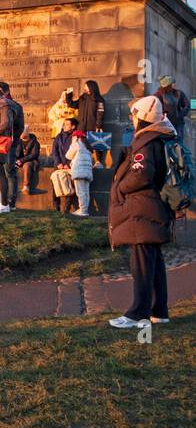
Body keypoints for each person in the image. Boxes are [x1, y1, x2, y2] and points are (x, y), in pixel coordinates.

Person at [108, 94, 174, 329]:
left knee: (142, 264)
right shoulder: (158, 139)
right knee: (153, 262)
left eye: (134, 114)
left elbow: (140, 173)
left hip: (141, 209)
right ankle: (159, 311)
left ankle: (138, 313)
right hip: (152, 208)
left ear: (142, 117)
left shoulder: (145, 142)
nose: (132, 118)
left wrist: (120, 188)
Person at [0, 82, 24, 208]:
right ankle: (3, 200)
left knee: (9, 172)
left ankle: (10, 201)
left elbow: (19, 127)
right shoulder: (0, 105)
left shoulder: (12, 106)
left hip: (8, 143)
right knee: (1, 172)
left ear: (5, 92)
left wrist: (13, 140)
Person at [75, 80, 108, 167]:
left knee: (96, 144)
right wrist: (68, 95)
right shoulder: (82, 98)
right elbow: (73, 105)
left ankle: (98, 162)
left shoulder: (99, 99)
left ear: (91, 87)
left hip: (93, 126)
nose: (84, 87)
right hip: (82, 126)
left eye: (86, 86)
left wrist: (98, 124)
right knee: (82, 145)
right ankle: (85, 163)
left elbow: (100, 112)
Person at [50, 116, 79, 214]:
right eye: (64, 124)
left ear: (73, 127)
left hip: (70, 165)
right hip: (59, 164)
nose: (64, 126)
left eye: (67, 124)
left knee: (70, 185)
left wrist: (67, 164)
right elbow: (54, 151)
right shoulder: (59, 136)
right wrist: (58, 163)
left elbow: (75, 151)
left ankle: (67, 207)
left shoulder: (75, 137)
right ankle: (56, 206)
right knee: (55, 183)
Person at [67, 130, 95, 218]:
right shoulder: (87, 147)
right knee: (86, 192)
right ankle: (84, 209)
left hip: (79, 171)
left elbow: (68, 155)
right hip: (87, 172)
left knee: (80, 192)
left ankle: (82, 210)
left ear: (76, 137)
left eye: (73, 137)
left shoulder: (76, 144)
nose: (72, 138)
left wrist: (72, 144)